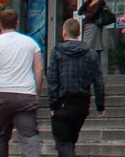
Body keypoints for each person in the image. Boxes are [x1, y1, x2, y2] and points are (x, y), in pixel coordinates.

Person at [0, 8, 44, 157]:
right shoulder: (31, 43)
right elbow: (39, 70)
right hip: (26, 95)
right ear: (17, 23)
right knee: (29, 137)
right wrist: (36, 92)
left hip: (2, 94)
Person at [45, 17, 104, 157]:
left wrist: (53, 105)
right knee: (71, 138)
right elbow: (98, 80)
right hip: (82, 102)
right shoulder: (91, 53)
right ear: (79, 33)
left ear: (64, 33)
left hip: (63, 102)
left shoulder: (57, 52)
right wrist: (100, 104)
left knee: (62, 141)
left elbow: (52, 80)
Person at [75, 0, 113, 71]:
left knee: (91, 47)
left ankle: (93, 68)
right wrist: (86, 1)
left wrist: (86, 15)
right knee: (89, 46)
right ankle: (91, 68)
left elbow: (93, 15)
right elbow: (80, 12)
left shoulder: (100, 2)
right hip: (87, 26)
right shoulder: (89, 1)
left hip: (94, 26)